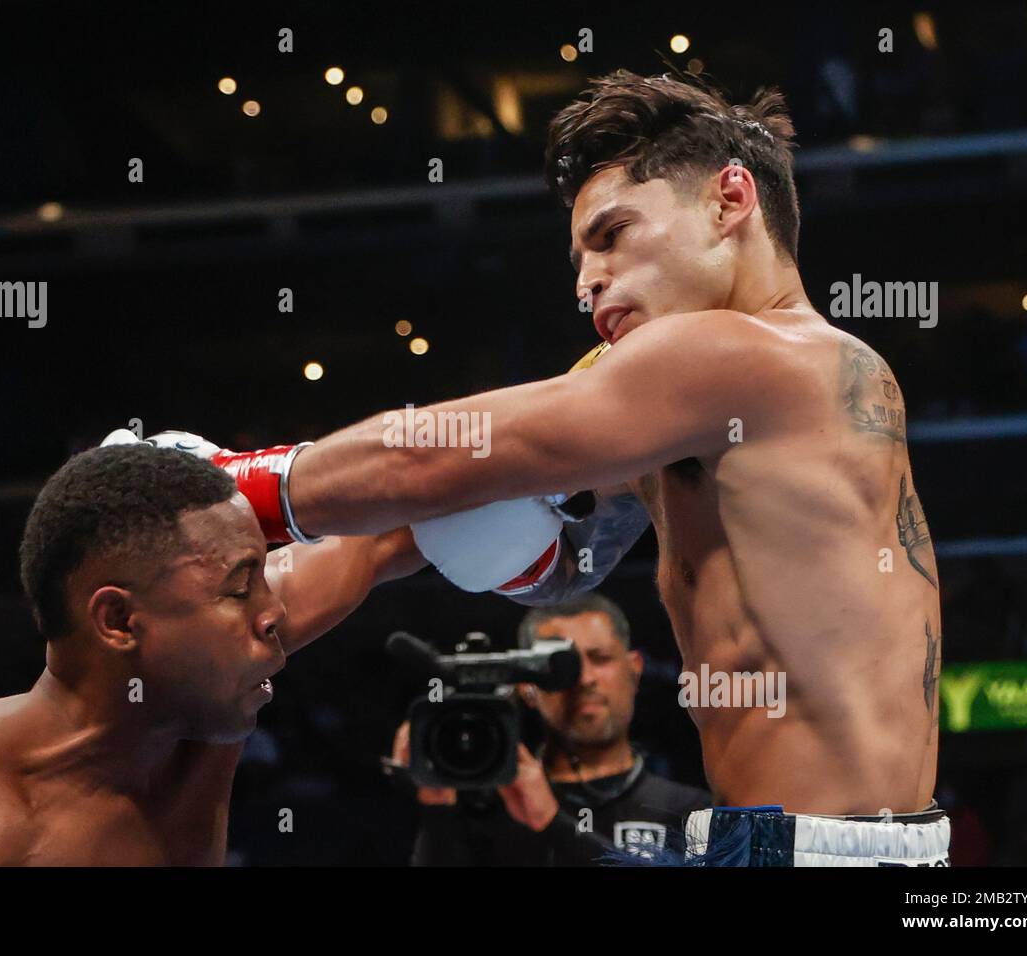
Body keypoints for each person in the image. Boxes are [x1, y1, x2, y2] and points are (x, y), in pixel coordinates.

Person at [207, 70, 950, 865]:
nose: (585, 279)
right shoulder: (690, 402)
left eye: (612, 234)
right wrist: (224, 606)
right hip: (771, 840)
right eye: (578, 255)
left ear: (730, 201)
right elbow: (411, 534)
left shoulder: (753, 355)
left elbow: (431, 457)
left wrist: (221, 488)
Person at [0, 442, 425, 865]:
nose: (274, 611)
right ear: (119, 622)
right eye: (238, 587)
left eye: (262, 577)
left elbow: (394, 525)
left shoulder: (209, 668)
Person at [395, 593, 709, 865]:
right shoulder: (485, 809)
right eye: (560, 668)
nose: (584, 679)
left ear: (634, 669)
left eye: (600, 658)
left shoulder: (693, 812)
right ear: (528, 688)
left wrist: (552, 824)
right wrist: (436, 808)